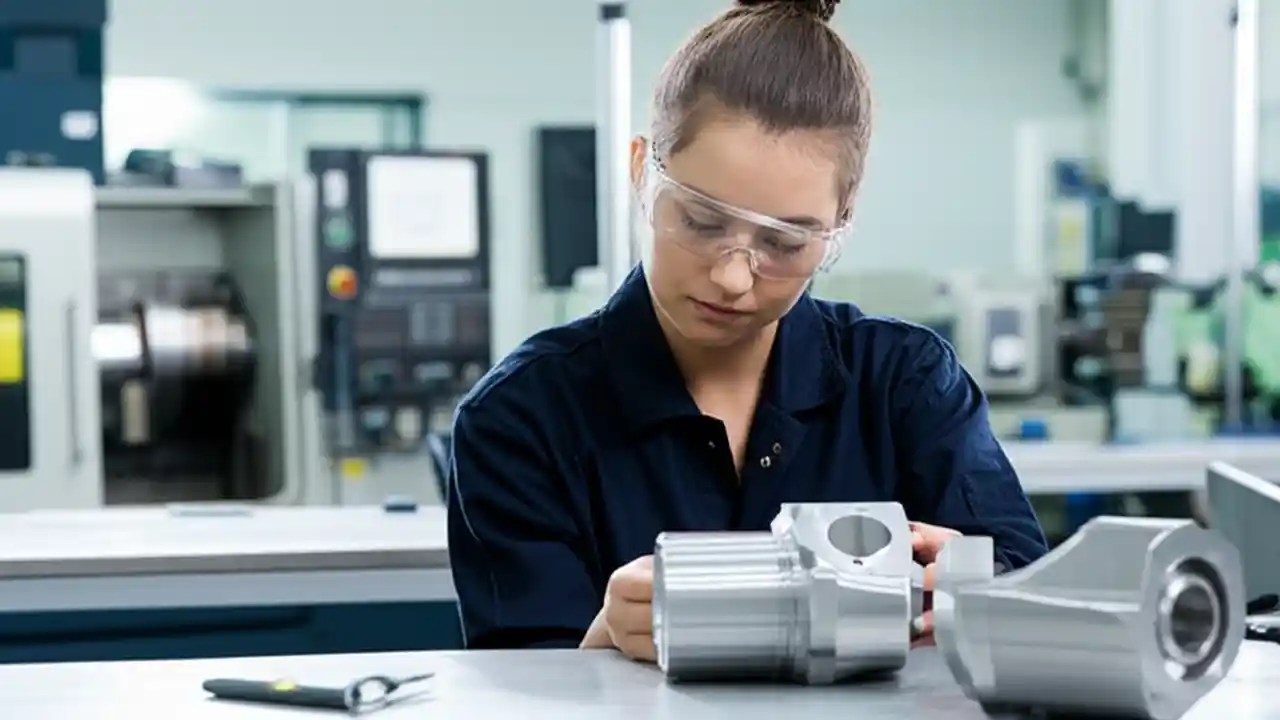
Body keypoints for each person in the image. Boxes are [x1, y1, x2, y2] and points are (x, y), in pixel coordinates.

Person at [447, 0, 1048, 660]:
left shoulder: (905, 382)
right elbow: (522, 688)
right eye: (702, 222)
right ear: (641, 169)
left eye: (785, 241)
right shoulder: (521, 418)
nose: (734, 278)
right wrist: (602, 643)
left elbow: (1023, 587)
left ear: (841, 219)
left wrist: (988, 591)